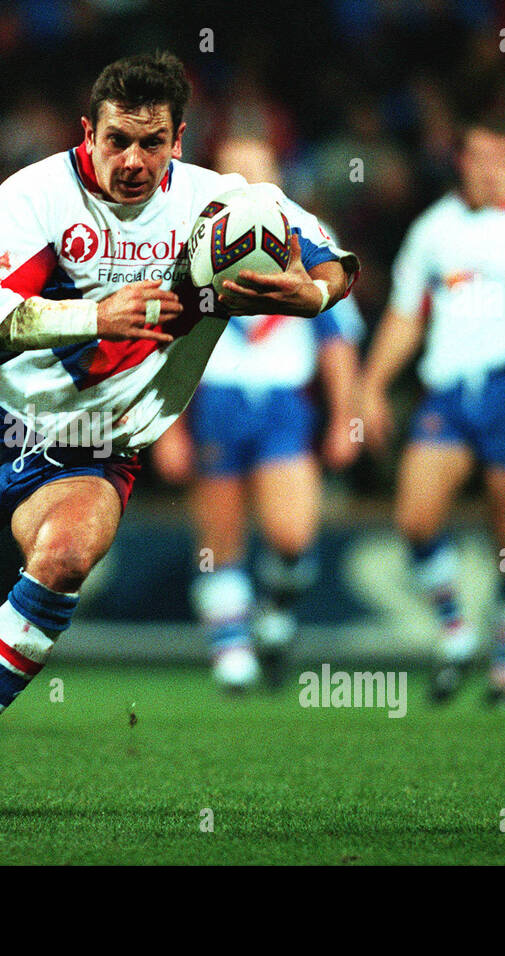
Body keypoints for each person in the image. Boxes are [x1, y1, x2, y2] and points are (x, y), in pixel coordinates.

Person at [0, 51, 358, 823]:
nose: (132, 160)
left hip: (93, 445)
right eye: (117, 139)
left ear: (179, 140)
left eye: (152, 143)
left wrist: (313, 292)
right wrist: (95, 313)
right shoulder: (33, 196)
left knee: (64, 557)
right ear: (88, 129)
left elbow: (335, 265)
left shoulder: (224, 208)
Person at [359, 121, 505, 705]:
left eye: (502, 156)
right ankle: (457, 635)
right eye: (478, 156)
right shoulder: (436, 228)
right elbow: (406, 313)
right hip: (447, 388)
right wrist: (370, 386)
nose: (489, 168)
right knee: (415, 518)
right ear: (460, 161)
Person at [154, 139, 364, 691]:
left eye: (258, 166)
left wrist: (347, 415)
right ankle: (231, 655)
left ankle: (273, 611)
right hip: (215, 399)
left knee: (292, 536)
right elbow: (165, 344)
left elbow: (335, 339)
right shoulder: (190, 240)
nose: (245, 176)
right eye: (234, 166)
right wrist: (165, 428)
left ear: (277, 175)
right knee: (219, 535)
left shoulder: (306, 239)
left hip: (282, 403)